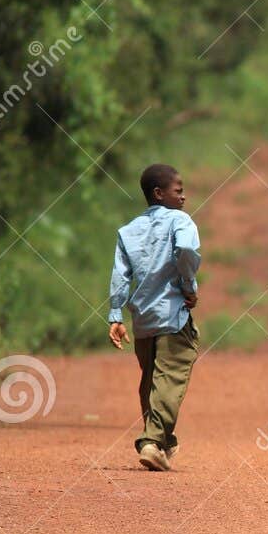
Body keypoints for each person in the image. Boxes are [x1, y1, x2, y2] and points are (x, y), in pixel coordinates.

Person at [108, 164, 202, 472]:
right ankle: (151, 442)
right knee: (170, 377)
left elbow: (121, 276)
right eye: (178, 190)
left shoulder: (129, 230)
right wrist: (188, 286)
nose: (184, 196)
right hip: (173, 313)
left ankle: (165, 441)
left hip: (143, 318)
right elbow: (187, 249)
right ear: (158, 194)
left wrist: (115, 316)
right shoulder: (180, 221)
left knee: (151, 380)